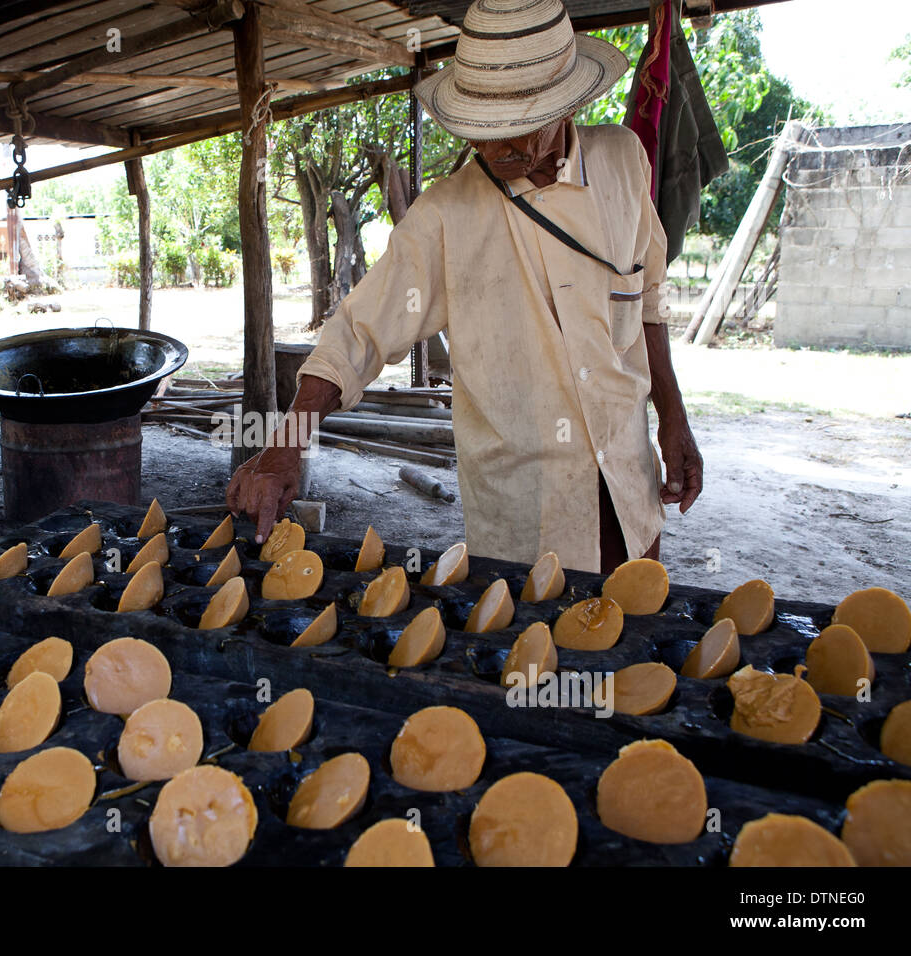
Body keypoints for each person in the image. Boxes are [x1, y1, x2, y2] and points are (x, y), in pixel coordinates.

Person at [227, 0, 702, 574]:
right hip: (524, 518)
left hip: (629, 488)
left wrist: (673, 414)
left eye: (518, 127)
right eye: (482, 131)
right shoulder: (446, 217)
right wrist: (285, 448)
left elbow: (646, 297)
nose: (498, 149)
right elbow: (357, 334)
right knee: (531, 659)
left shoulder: (624, 162)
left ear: (565, 105)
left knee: (633, 645)